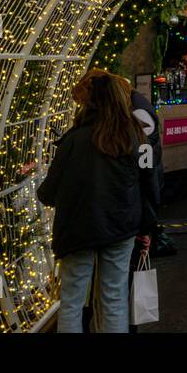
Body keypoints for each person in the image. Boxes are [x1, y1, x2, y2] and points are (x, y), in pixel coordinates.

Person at [38, 70, 157, 333]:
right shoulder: (136, 137)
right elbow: (150, 183)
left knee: (72, 300)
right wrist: (147, 226)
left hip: (77, 230)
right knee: (114, 297)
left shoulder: (73, 140)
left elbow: (47, 193)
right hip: (121, 227)